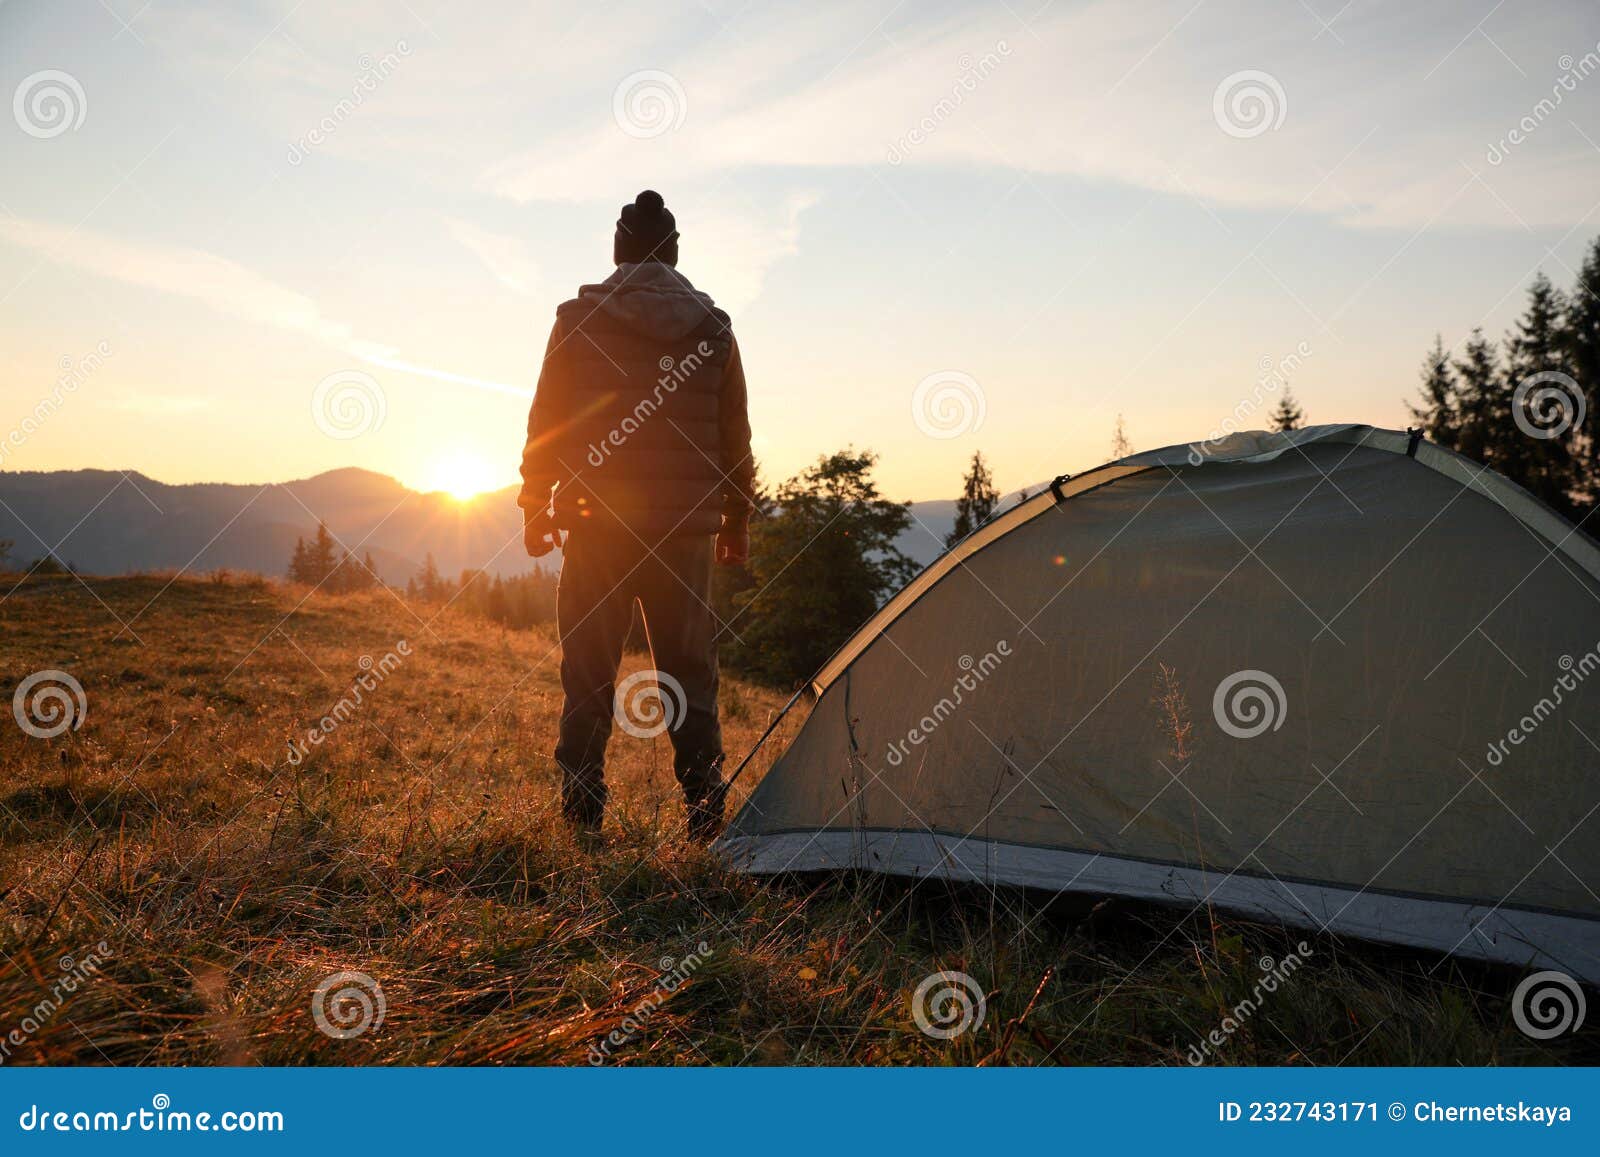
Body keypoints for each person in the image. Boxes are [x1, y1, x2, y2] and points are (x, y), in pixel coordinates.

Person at [518, 189, 754, 841]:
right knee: (690, 674)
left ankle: (580, 814)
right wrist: (736, 522)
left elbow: (548, 421)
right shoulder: (713, 327)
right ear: (675, 253)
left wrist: (536, 506)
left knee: (588, 671)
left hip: (597, 527)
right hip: (685, 531)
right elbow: (734, 436)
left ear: (618, 249)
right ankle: (705, 814)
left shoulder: (578, 319)